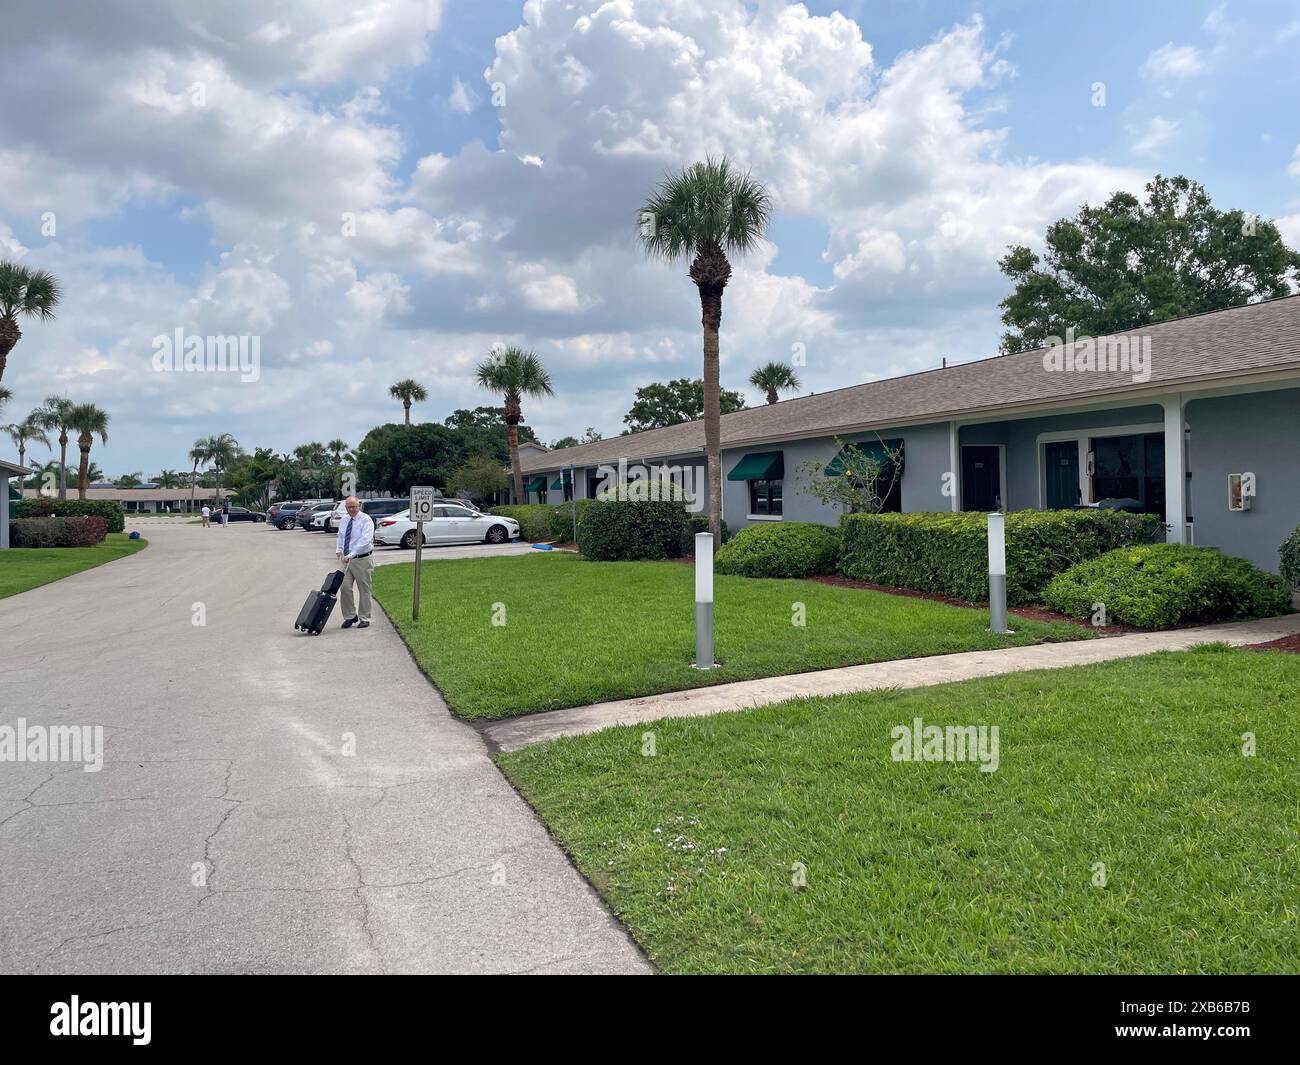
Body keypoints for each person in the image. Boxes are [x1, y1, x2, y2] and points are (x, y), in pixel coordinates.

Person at [335, 496, 375, 629]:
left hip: (362, 559)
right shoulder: (345, 520)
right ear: (346, 507)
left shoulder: (365, 520)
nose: (351, 509)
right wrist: (339, 550)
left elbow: (365, 540)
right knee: (344, 587)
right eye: (349, 507)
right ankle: (350, 616)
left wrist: (351, 554)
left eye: (354, 506)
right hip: (347, 560)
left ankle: (364, 617)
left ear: (359, 506)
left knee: (364, 589)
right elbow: (341, 536)